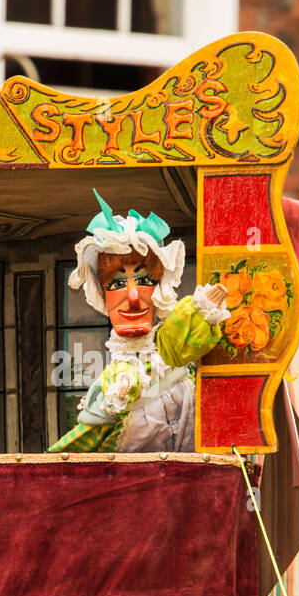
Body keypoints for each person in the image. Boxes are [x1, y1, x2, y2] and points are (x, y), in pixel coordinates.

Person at [48, 191, 229, 453]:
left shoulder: (166, 345)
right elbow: (117, 385)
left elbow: (184, 334)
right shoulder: (116, 371)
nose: (133, 298)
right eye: (119, 284)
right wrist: (122, 388)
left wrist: (204, 308)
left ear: (160, 289)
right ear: (102, 295)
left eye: (144, 281)